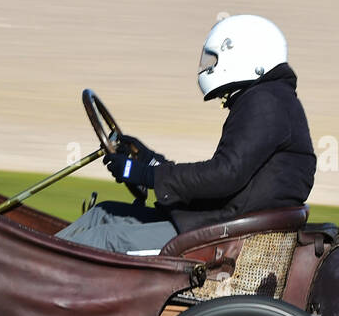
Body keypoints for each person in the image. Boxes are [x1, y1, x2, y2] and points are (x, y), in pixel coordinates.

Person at [57, 14, 315, 254]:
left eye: (214, 59)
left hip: (225, 237)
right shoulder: (271, 100)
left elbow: (225, 174)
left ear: (243, 56)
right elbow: (223, 177)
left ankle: (37, 285)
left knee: (104, 238)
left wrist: (143, 174)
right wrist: (148, 160)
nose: (209, 67)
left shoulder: (265, 102)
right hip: (221, 221)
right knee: (103, 213)